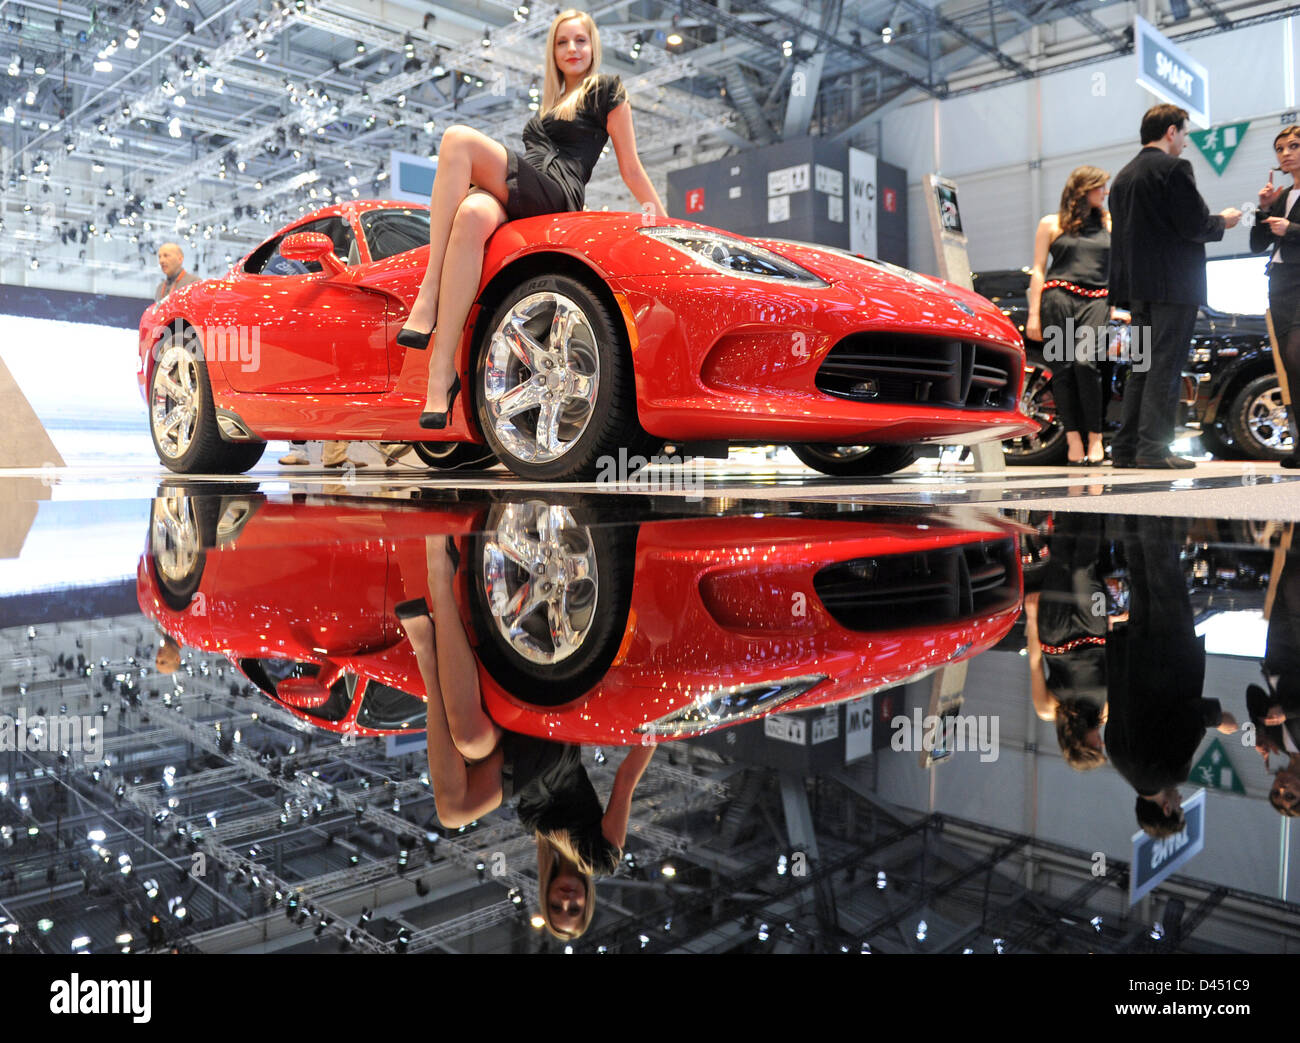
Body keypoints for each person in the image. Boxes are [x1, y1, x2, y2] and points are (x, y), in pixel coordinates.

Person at [397, 8, 667, 429]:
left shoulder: (606, 90)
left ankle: (429, 289)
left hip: (557, 190)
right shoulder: (552, 103)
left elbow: (630, 167)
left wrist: (660, 217)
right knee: (469, 215)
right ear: (552, 52)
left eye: (580, 40)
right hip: (531, 185)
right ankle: (441, 371)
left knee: (457, 141)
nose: (572, 49)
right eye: (562, 42)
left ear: (594, 46)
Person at [394, 535, 656, 939]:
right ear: (588, 901)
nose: (567, 900)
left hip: (520, 773)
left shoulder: (544, 845)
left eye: (556, 907)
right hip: (554, 761)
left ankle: (437, 597)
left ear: (546, 895)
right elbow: (624, 784)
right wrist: (654, 728)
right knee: (458, 789)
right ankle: (430, 639)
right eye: (575, 908)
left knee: (470, 742)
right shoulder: (601, 860)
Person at [1107, 104, 1241, 469]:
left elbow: (1120, 240)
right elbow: (1194, 224)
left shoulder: (1122, 176)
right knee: (1164, 366)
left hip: (1138, 288)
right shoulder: (1174, 168)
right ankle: (1153, 449)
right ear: (1170, 131)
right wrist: (1223, 222)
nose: (1184, 141)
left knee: (1142, 365)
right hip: (1173, 286)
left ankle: (1126, 448)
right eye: (1183, 133)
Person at [1103, 516, 1237, 837]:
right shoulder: (1119, 760)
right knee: (1143, 576)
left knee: (1165, 575)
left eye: (1179, 809)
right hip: (1136, 651)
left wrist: (1221, 720)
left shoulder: (1170, 773)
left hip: (1169, 656)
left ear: (1167, 809)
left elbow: (1192, 714)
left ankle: (1152, 502)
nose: (1180, 801)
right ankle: (1132, 506)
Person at [1026, 167, 1115, 465]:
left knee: (1085, 364)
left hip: (1097, 299)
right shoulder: (1051, 223)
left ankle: (1095, 436)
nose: (1104, 193)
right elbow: (1039, 268)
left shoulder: (1108, 222)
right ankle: (1073, 438)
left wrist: (1117, 302)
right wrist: (1034, 314)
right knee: (1062, 370)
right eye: (1099, 187)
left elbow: (1118, 266)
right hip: (1057, 296)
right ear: (1083, 189)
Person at [1249, 125, 1300, 469]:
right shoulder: (1283, 196)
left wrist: (1291, 229)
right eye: (1280, 148)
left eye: (1294, 145)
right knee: (1290, 365)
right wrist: (1263, 209)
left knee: (1297, 355)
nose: (1286, 153)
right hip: (1280, 284)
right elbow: (1257, 244)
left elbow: (1288, 234)